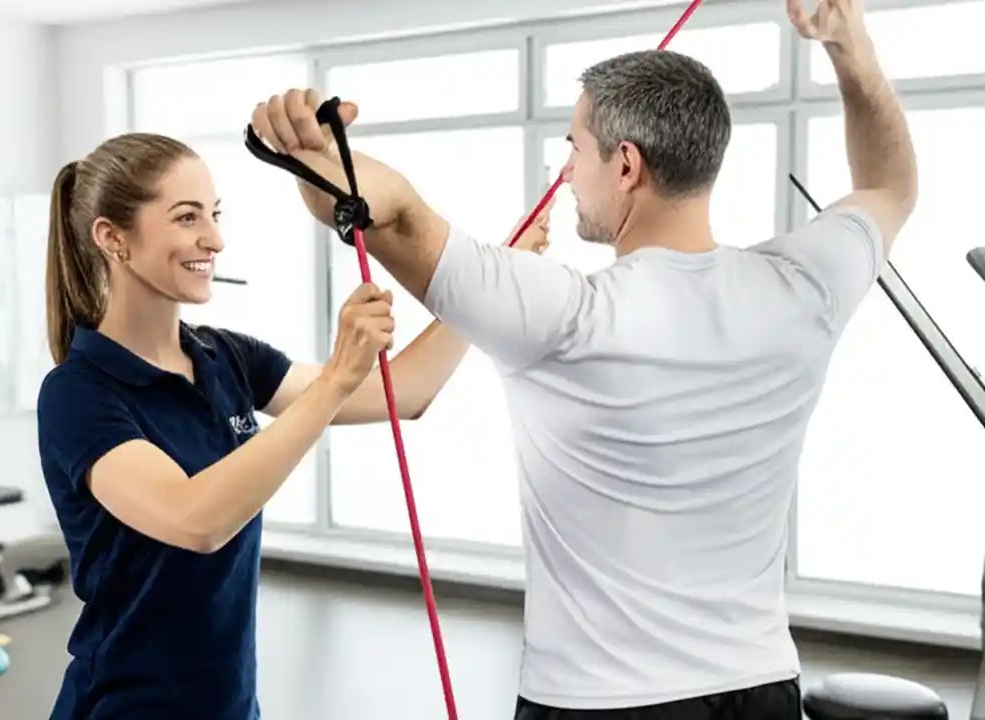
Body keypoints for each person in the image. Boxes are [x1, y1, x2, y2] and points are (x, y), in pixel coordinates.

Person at [248, 0, 916, 717]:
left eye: (574, 146)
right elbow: (890, 185)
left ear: (625, 164)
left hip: (601, 704)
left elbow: (393, 216)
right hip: (761, 690)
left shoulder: (565, 316)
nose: (565, 173)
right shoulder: (802, 288)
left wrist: (314, 160)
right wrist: (850, 42)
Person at [34, 131, 552, 719]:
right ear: (112, 238)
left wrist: (497, 276)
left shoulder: (225, 358)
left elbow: (405, 392)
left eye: (215, 214)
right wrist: (334, 378)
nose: (214, 239)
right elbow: (196, 519)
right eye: (186, 218)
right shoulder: (79, 394)